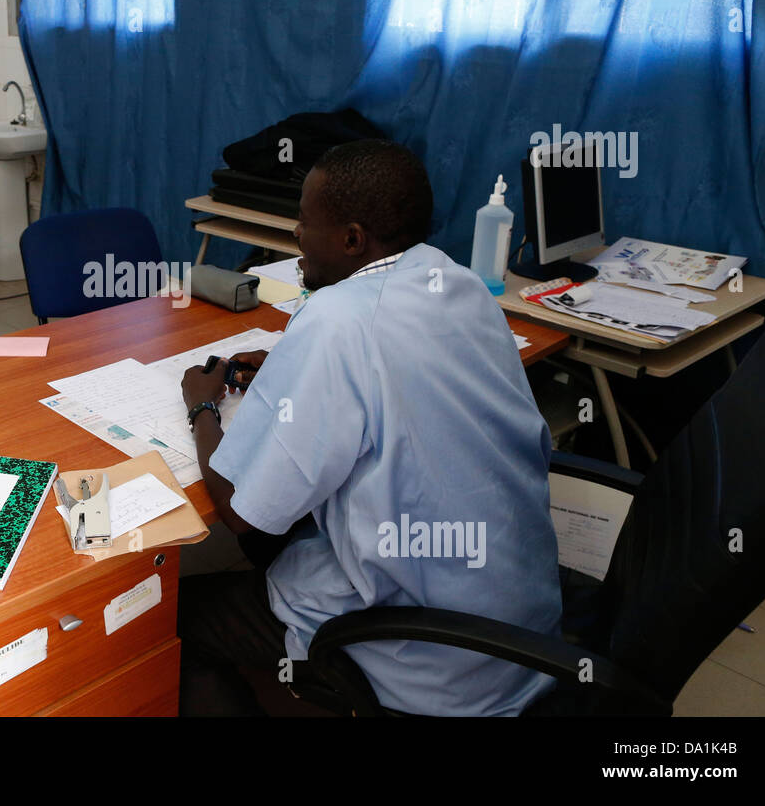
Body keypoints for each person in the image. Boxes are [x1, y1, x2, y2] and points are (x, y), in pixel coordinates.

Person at [176, 138, 563, 716]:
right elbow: (397, 378)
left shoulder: (334, 320)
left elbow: (239, 510)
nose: (296, 237)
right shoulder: (457, 283)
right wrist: (290, 379)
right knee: (289, 535)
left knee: (176, 622)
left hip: (436, 653)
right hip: (522, 625)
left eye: (305, 223)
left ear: (353, 239)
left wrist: (202, 407)